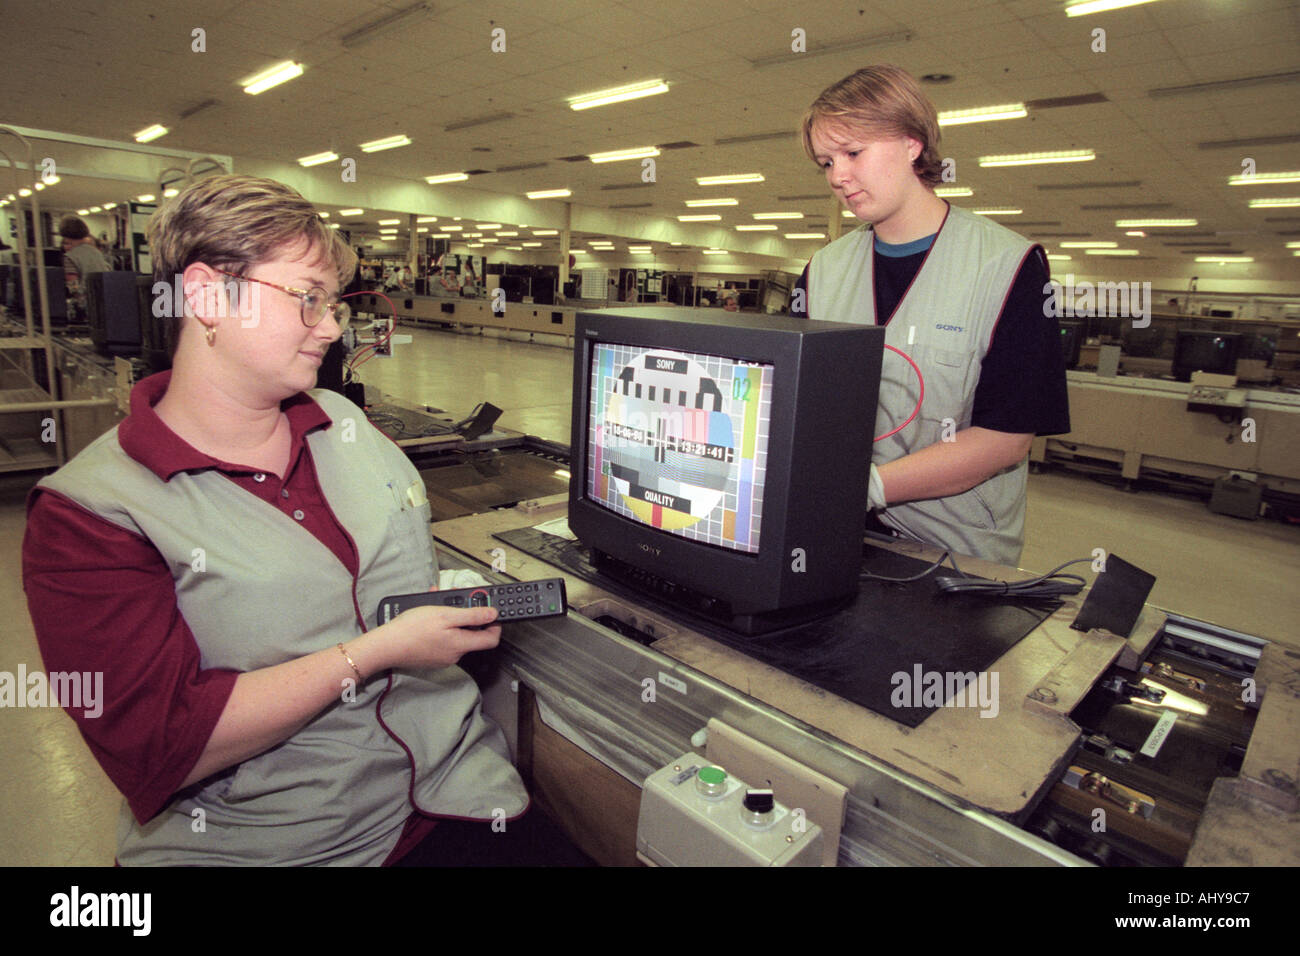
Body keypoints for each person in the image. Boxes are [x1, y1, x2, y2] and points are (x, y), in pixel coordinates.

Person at [22, 175, 531, 865]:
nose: (332, 325)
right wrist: (377, 651)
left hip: (455, 792)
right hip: (277, 845)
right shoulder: (92, 515)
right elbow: (161, 744)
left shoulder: (345, 422)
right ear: (205, 295)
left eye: (335, 303)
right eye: (308, 299)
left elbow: (393, 568)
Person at [793, 65, 1069, 566]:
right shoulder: (821, 272)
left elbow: (1006, 438)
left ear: (912, 142)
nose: (838, 176)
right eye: (825, 162)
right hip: (835, 534)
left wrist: (871, 486)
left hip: (954, 548)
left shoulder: (1009, 267)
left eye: (853, 153)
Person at [59, 215, 112, 318]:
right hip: (105, 301)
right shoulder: (96, 252)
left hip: (87, 305)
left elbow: (73, 287)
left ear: (65, 236)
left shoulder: (70, 257)